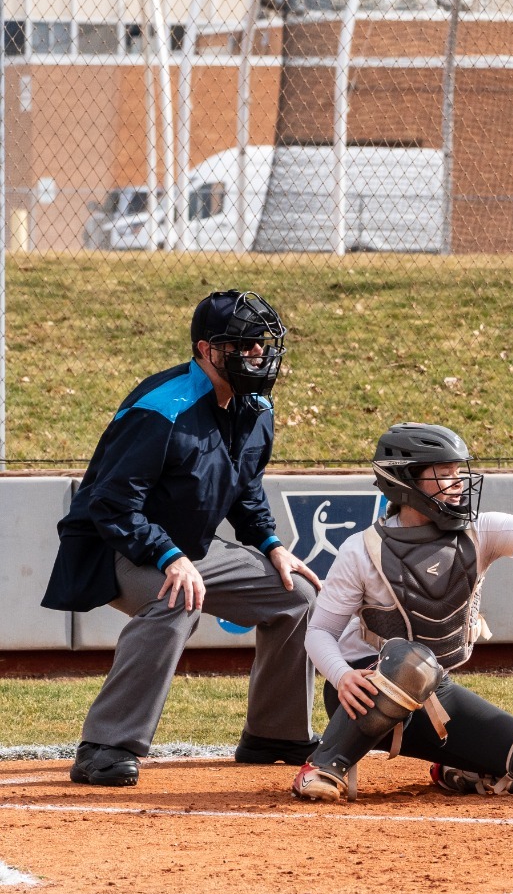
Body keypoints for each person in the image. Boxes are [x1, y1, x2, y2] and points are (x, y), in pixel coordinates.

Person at [41, 290, 322, 786]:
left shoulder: (255, 408)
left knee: (296, 595)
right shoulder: (162, 409)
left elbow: (244, 486)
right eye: (244, 344)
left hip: (186, 548)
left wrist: (272, 546)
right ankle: (104, 745)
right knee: (178, 598)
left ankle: (275, 734)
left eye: (262, 343)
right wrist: (168, 556)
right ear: (206, 350)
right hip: (117, 546)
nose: (259, 354)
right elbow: (111, 503)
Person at [290, 422, 513, 801]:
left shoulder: (479, 531)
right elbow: (319, 632)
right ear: (404, 480)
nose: (457, 482)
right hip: (362, 694)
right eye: (443, 474)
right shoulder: (360, 550)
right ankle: (324, 765)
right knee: (411, 661)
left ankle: (455, 771)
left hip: (432, 692)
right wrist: (343, 676)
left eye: (459, 472)